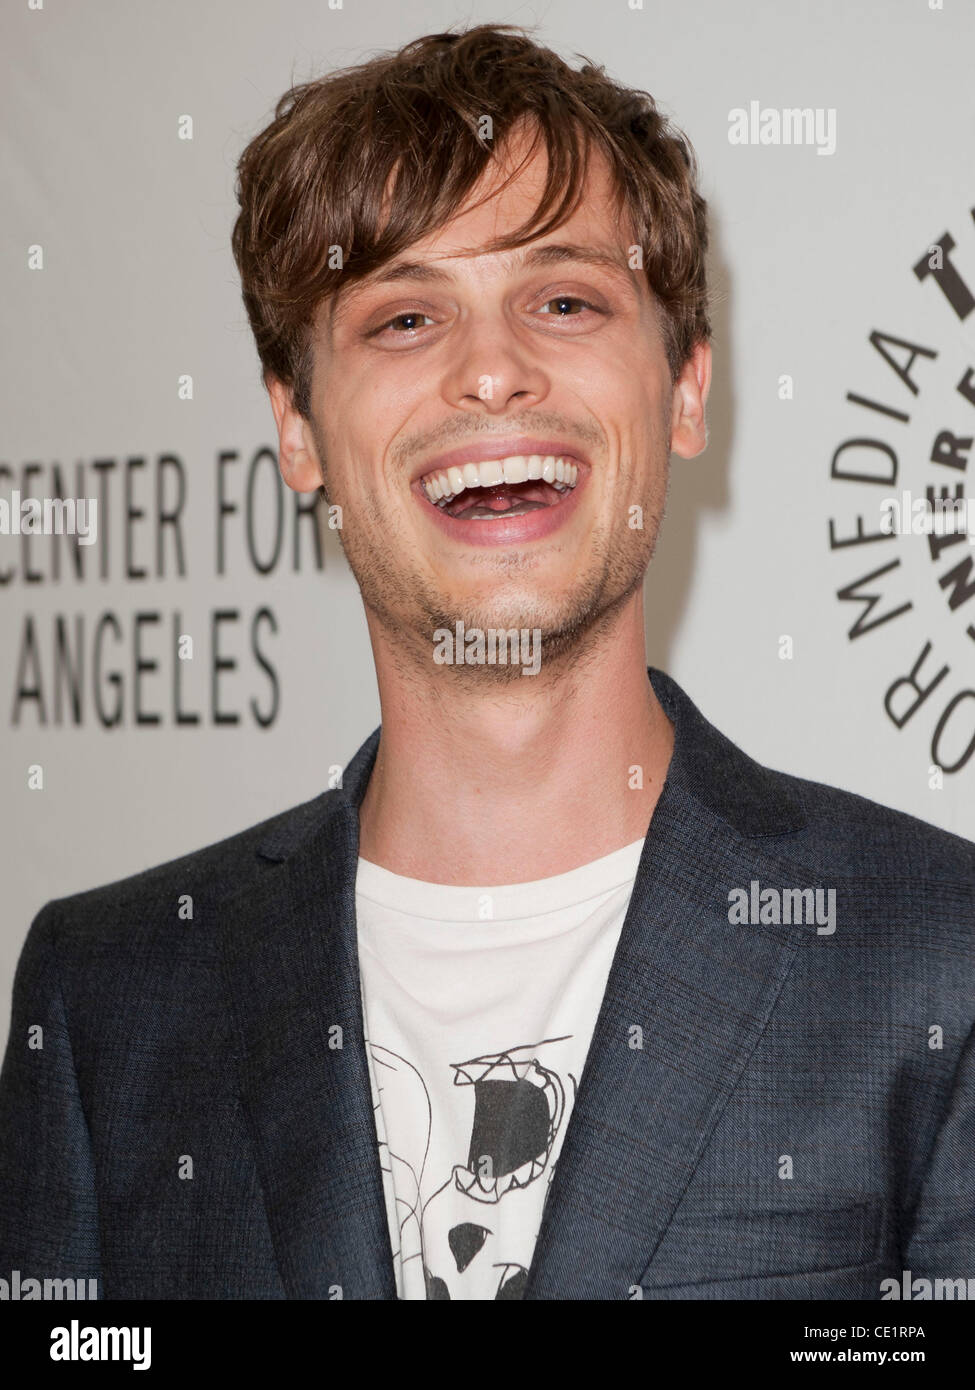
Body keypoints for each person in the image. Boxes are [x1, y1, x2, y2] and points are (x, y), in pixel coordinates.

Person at [1, 23, 972, 1302]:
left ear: (686, 386)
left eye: (564, 300)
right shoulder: (108, 993)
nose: (493, 370)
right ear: (296, 429)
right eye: (405, 317)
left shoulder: (935, 953)